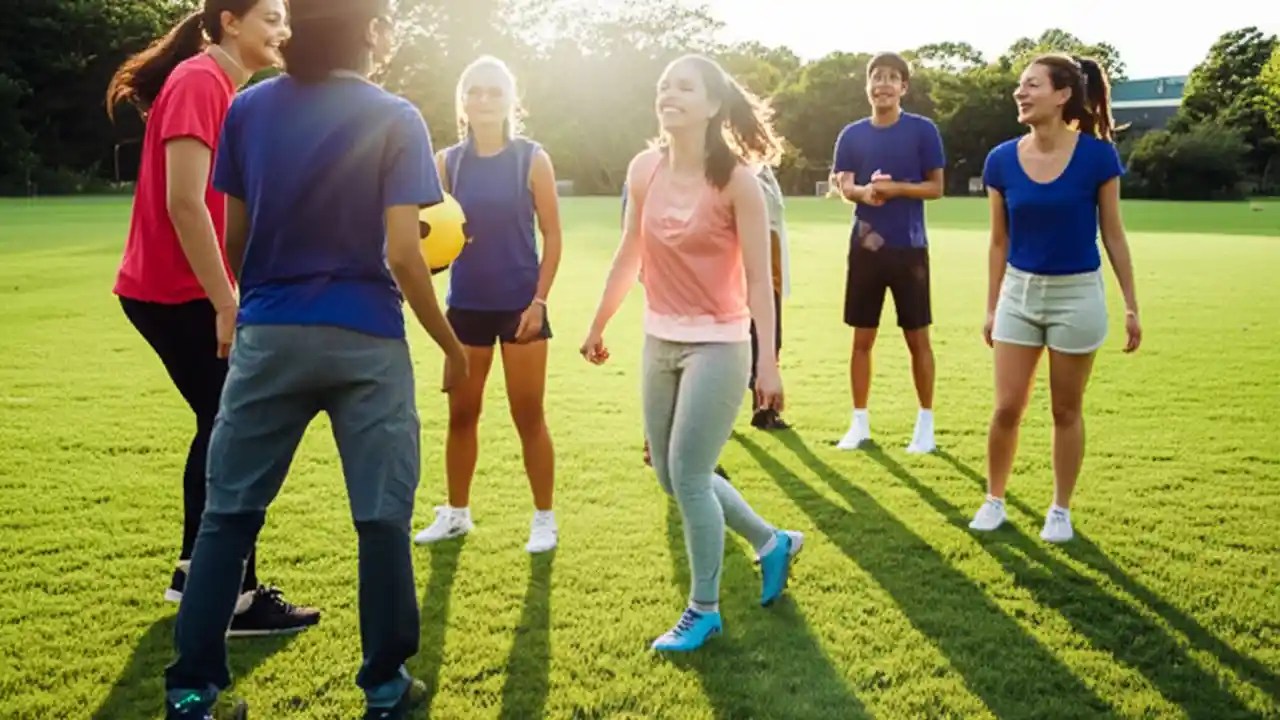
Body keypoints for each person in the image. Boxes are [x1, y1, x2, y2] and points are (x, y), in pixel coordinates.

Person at [159, 1, 470, 718]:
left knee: (228, 516)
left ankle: (191, 695)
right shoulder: (397, 118)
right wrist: (450, 345)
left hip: (269, 334)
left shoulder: (250, 108)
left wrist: (261, 300)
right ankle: (386, 688)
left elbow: (235, 234)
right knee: (382, 518)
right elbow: (402, 251)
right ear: (367, 31)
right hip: (367, 340)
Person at [106, 0, 318, 637]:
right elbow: (184, 203)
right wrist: (227, 302)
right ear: (229, 21)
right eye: (271, 18)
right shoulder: (202, 81)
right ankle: (232, 596)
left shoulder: (220, 86)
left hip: (177, 290)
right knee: (239, 431)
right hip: (180, 293)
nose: (283, 31)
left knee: (224, 424)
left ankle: (200, 574)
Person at [581, 54, 804, 653]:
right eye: (663, 86)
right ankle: (771, 541)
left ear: (711, 105)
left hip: (719, 344)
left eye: (685, 86)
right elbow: (630, 253)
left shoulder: (739, 181)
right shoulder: (644, 169)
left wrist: (768, 362)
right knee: (673, 478)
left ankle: (703, 610)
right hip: (659, 339)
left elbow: (761, 279)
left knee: (690, 474)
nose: (669, 94)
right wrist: (599, 322)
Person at [968, 54, 1141, 544]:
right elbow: (998, 241)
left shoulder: (1098, 157)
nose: (1020, 94)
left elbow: (1114, 234)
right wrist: (991, 304)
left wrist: (1130, 304)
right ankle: (994, 499)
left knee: (1066, 410)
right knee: (1006, 408)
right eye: (1019, 86)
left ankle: (1060, 510)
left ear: (1063, 95)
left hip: (1077, 296)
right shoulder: (1001, 160)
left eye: (1032, 85)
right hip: (1019, 293)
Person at [413, 56, 563, 554]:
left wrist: (539, 301)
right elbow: (432, 234)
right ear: (463, 100)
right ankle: (456, 513)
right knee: (462, 414)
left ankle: (544, 518)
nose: (483, 100)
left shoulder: (531, 158)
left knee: (528, 416)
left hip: (521, 308)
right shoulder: (446, 163)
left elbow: (553, 235)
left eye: (493, 92)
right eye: (474, 91)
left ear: (510, 101)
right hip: (467, 309)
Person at [831, 51, 945, 454]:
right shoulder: (851, 135)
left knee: (918, 339)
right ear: (868, 86)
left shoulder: (922, 131)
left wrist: (895, 188)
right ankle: (859, 423)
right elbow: (845, 186)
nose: (882, 84)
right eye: (876, 77)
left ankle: (925, 425)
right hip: (865, 247)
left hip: (909, 248)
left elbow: (935, 187)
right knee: (862, 339)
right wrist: (866, 192)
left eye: (891, 78)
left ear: (903, 87)